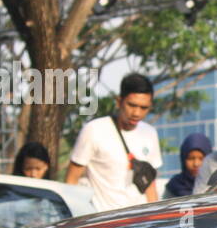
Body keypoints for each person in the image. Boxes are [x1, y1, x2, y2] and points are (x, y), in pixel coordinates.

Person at [66, 73, 161, 211]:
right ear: (118, 101)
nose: (137, 113)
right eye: (132, 105)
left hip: (140, 221)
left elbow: (150, 184)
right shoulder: (94, 130)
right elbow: (71, 181)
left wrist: (156, 218)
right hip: (104, 222)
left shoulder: (150, 133)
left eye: (143, 107)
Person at [164, 132, 212, 198]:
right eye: (191, 158)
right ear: (183, 159)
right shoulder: (174, 186)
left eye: (201, 159)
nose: (196, 164)